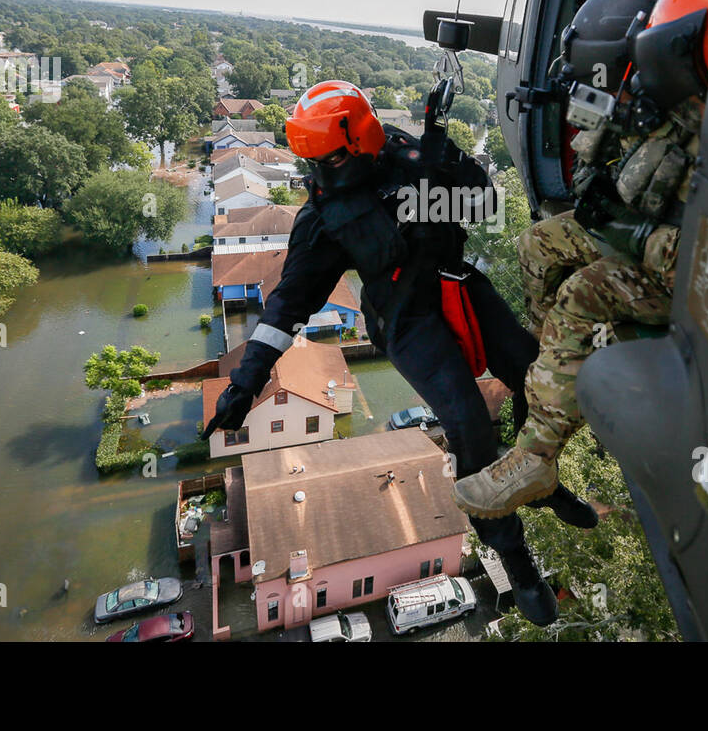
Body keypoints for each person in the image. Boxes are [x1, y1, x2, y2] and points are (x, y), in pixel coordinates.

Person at [203, 80, 596, 626]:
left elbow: (484, 202)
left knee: (537, 378)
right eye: (311, 163)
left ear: (362, 139)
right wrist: (246, 382)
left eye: (331, 158)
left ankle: (541, 479)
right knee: (467, 424)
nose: (321, 175)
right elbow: (288, 304)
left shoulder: (403, 152)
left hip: (455, 281)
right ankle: (516, 558)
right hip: (405, 317)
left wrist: (452, 162)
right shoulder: (325, 218)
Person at [453, 0, 708, 519]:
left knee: (580, 295)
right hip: (639, 230)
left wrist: (629, 236)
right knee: (536, 244)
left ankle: (537, 456)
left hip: (688, 273)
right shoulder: (675, 96)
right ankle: (549, 367)